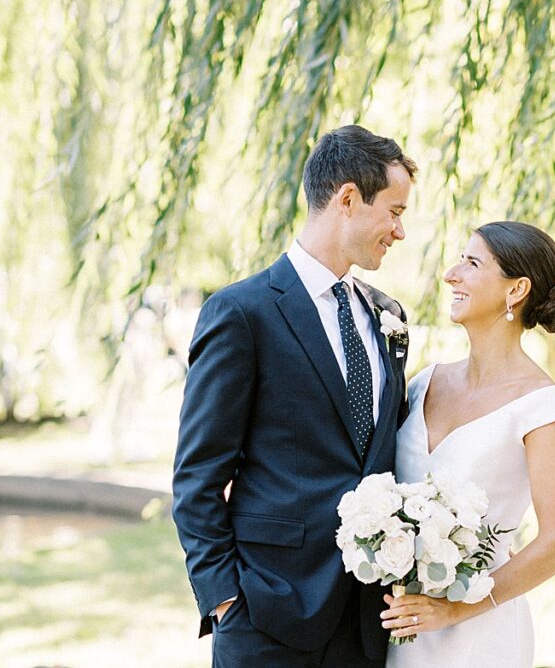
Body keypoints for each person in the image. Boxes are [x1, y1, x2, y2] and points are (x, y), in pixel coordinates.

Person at [172, 125, 417, 667]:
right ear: (348, 199)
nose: (400, 231)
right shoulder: (242, 313)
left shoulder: (388, 316)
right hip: (266, 615)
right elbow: (198, 476)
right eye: (395, 211)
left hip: (366, 618)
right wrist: (224, 600)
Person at [382, 221, 555, 668]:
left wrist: (454, 610)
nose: (451, 274)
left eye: (472, 263)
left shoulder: (541, 407)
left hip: (480, 635)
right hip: (402, 624)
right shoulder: (424, 383)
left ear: (517, 290)